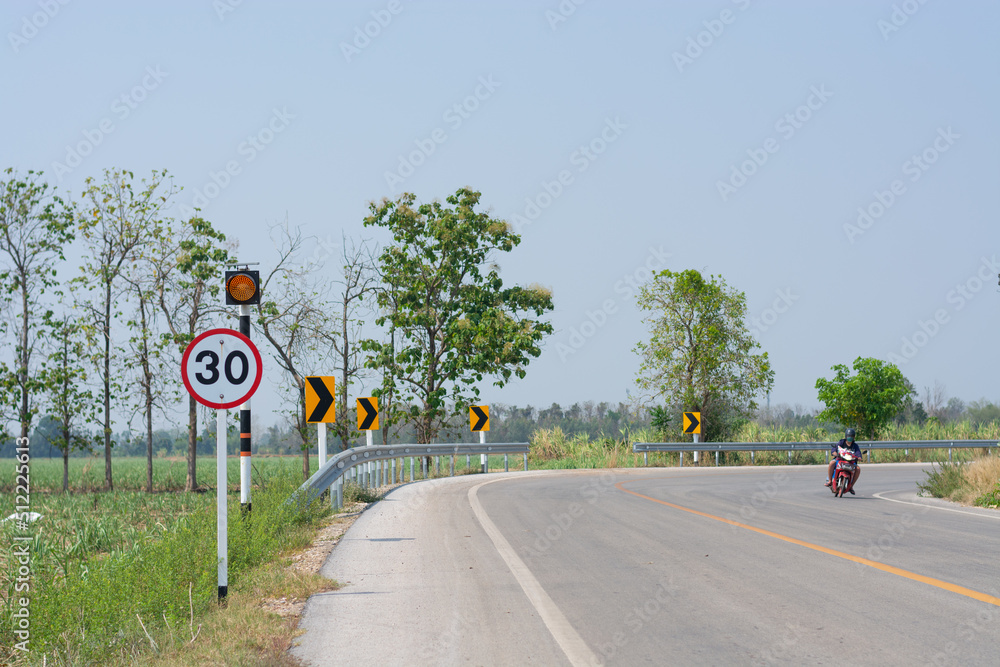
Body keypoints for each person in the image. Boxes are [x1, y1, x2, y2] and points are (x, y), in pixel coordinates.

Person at [824, 428, 862, 494]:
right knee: (832, 463)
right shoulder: (841, 442)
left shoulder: (855, 446)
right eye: (848, 436)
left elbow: (858, 453)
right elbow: (834, 449)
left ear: (854, 437)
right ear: (846, 436)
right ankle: (830, 481)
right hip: (840, 459)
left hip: (851, 462)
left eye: (851, 436)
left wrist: (859, 457)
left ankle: (851, 486)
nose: (850, 438)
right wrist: (835, 453)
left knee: (858, 469)